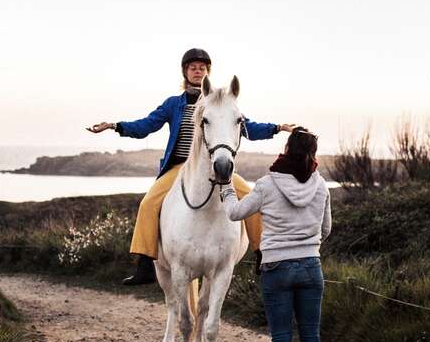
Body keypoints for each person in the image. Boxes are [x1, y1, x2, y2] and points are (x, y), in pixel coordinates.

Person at [86, 48, 295, 285]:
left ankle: (261, 254)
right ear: (185, 72)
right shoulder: (173, 104)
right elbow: (146, 125)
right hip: (179, 169)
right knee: (148, 204)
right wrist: (116, 126)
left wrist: (277, 128)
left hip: (213, 167)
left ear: (208, 72)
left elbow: (249, 128)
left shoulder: (219, 102)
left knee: (250, 197)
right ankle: (145, 264)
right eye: (193, 67)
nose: (198, 71)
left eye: (202, 68)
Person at [220, 128, 330, 342]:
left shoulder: (267, 185)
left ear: (286, 149)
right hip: (311, 266)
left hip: (277, 267)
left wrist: (227, 188)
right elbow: (326, 230)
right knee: (311, 337)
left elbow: (235, 213)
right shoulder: (321, 186)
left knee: (281, 338)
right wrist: (305, 242)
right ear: (312, 155)